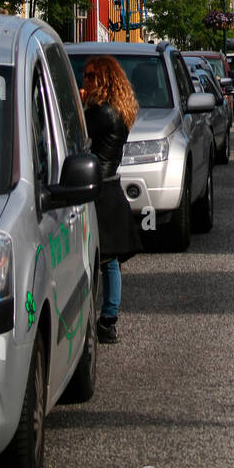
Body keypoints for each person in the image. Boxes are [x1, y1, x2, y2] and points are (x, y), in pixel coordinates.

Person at [80, 56, 143, 345]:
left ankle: (106, 317)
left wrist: (80, 105)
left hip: (99, 190)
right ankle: (108, 317)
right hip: (107, 187)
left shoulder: (102, 113)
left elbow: (76, 134)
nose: (85, 81)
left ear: (104, 79)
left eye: (91, 76)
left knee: (104, 259)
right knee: (109, 260)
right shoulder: (116, 110)